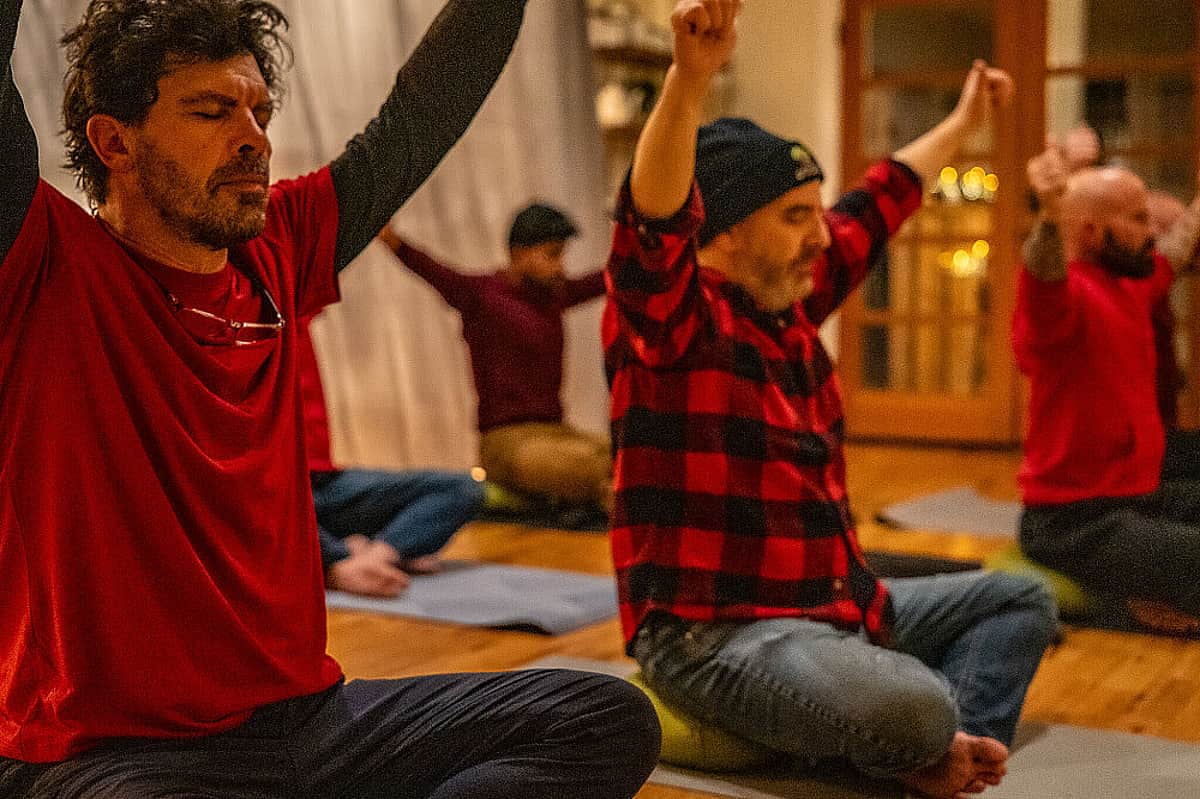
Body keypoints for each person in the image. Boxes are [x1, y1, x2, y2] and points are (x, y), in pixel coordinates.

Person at [0, 1, 659, 796]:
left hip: (308, 725)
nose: (253, 138)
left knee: (603, 715)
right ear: (115, 143)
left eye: (259, 111)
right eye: (211, 111)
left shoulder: (278, 249)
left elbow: (423, 113)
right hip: (116, 753)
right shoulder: (42, 260)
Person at [604, 2, 1058, 797]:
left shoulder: (786, 300)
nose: (821, 235)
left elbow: (883, 198)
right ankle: (923, 739)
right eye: (794, 217)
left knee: (1020, 596)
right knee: (910, 705)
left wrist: (963, 120)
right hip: (714, 635)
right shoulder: (671, 323)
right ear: (725, 233)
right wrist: (687, 81)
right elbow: (652, 222)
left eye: (815, 214)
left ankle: (945, 750)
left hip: (837, 602)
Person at [1015, 142, 1200, 632]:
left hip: (1137, 497)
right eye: (1138, 220)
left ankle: (1150, 597)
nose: (1151, 232)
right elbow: (1041, 270)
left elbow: (1176, 248)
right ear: (1094, 232)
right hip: (1072, 523)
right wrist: (1051, 218)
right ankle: (1132, 605)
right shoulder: (1062, 299)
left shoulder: (1131, 285)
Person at [378, 203, 612, 511]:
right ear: (519, 254)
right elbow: (432, 270)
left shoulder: (554, 296)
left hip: (557, 433)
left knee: (626, 456)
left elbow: (610, 277)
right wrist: (389, 238)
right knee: (592, 469)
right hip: (506, 444)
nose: (561, 266)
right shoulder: (483, 296)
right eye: (553, 254)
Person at [298, 315, 486, 598]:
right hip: (278, 494)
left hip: (326, 482)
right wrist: (335, 563)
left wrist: (377, 553)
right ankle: (341, 557)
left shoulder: (293, 303)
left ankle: (374, 557)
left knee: (462, 487)